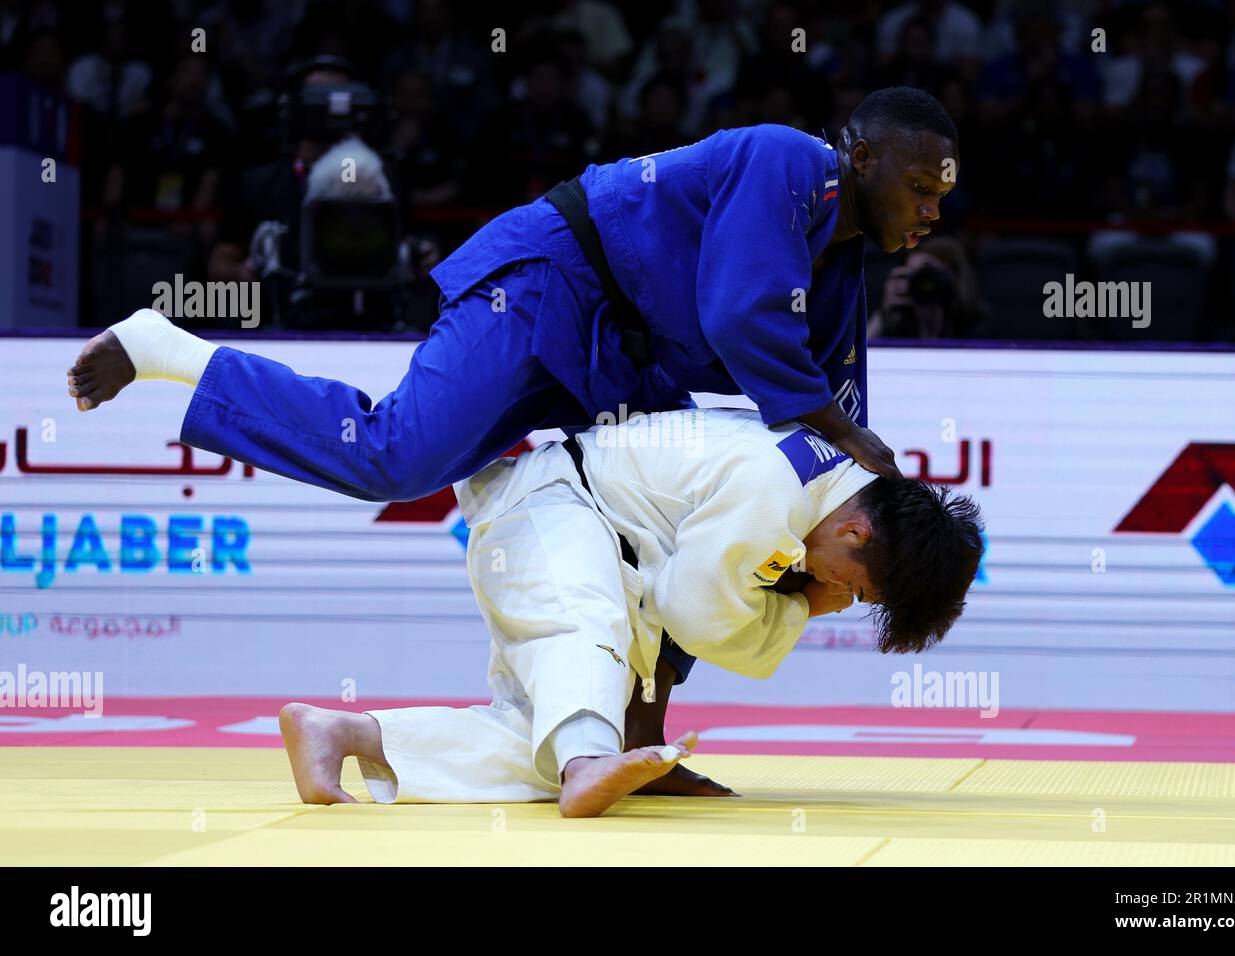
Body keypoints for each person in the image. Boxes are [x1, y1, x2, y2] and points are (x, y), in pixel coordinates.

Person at [67, 86, 961, 501]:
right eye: (920, 189)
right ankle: (166, 349)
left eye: (943, 200)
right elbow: (740, 316)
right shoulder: (791, 160)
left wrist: (877, 516)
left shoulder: (840, 268)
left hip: (624, 359)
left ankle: (636, 735)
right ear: (864, 156)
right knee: (397, 460)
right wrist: (843, 432)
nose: (929, 213)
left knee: (661, 518)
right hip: (549, 283)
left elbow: (835, 425)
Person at [279, 407, 985, 817]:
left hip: (607, 547)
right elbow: (698, 618)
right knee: (585, 627)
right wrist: (799, 612)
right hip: (557, 507)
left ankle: (344, 733)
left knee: (542, 742)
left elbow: (702, 607)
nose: (840, 603)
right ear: (856, 534)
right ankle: (587, 764)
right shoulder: (783, 486)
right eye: (857, 591)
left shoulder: (824, 496)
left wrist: (798, 600)